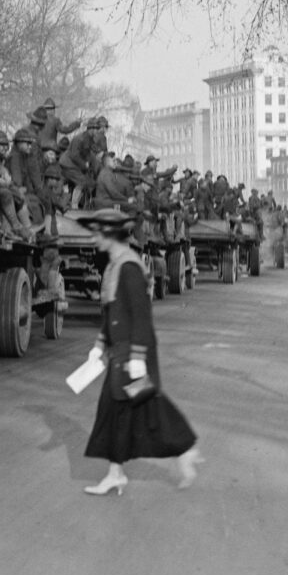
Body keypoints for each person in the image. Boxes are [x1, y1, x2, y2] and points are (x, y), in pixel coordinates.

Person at [80, 207, 202, 497]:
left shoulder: (129, 266)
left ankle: (184, 449)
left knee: (147, 405)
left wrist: (136, 358)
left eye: (98, 232)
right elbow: (113, 311)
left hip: (132, 354)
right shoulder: (115, 265)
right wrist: (99, 346)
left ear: (110, 235)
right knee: (116, 410)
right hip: (121, 352)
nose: (95, 238)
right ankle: (116, 473)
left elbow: (141, 315)